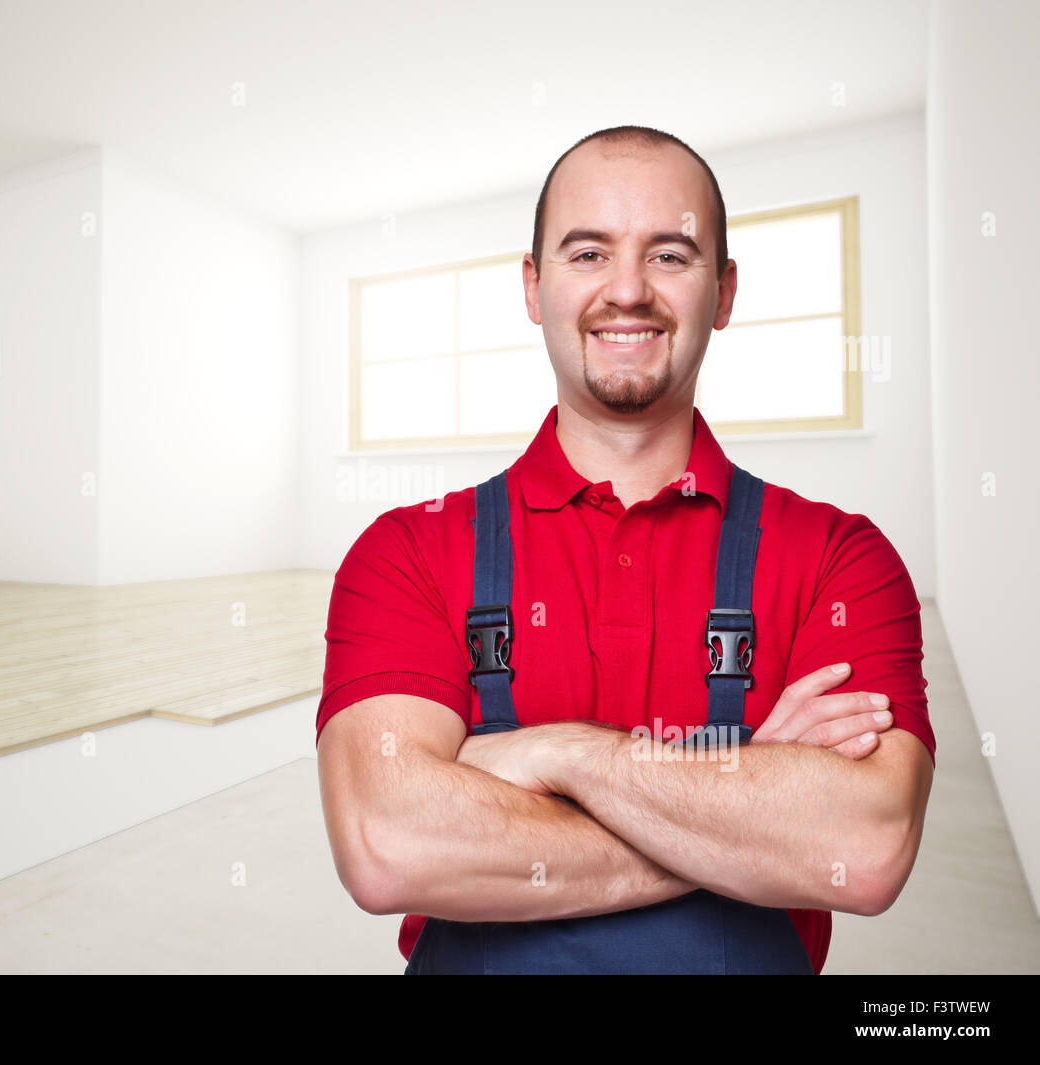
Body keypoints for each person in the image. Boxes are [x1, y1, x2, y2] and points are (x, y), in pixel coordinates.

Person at [315, 125, 935, 974]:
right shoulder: (407, 554)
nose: (628, 290)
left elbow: (863, 848)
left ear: (724, 292)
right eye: (588, 253)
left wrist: (557, 753)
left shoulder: (840, 559)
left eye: (672, 255)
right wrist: (746, 793)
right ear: (534, 287)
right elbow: (387, 841)